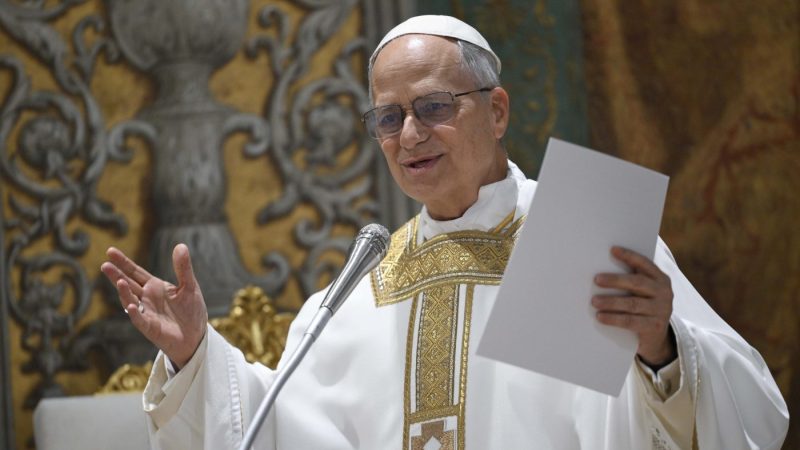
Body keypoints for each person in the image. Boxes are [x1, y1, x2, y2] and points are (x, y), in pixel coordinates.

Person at [101, 15, 788, 450]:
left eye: (433, 106)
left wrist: (660, 350)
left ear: (496, 110)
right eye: (389, 118)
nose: (410, 135)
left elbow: (750, 408)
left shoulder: (586, 238)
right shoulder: (364, 284)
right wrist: (196, 353)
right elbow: (281, 432)